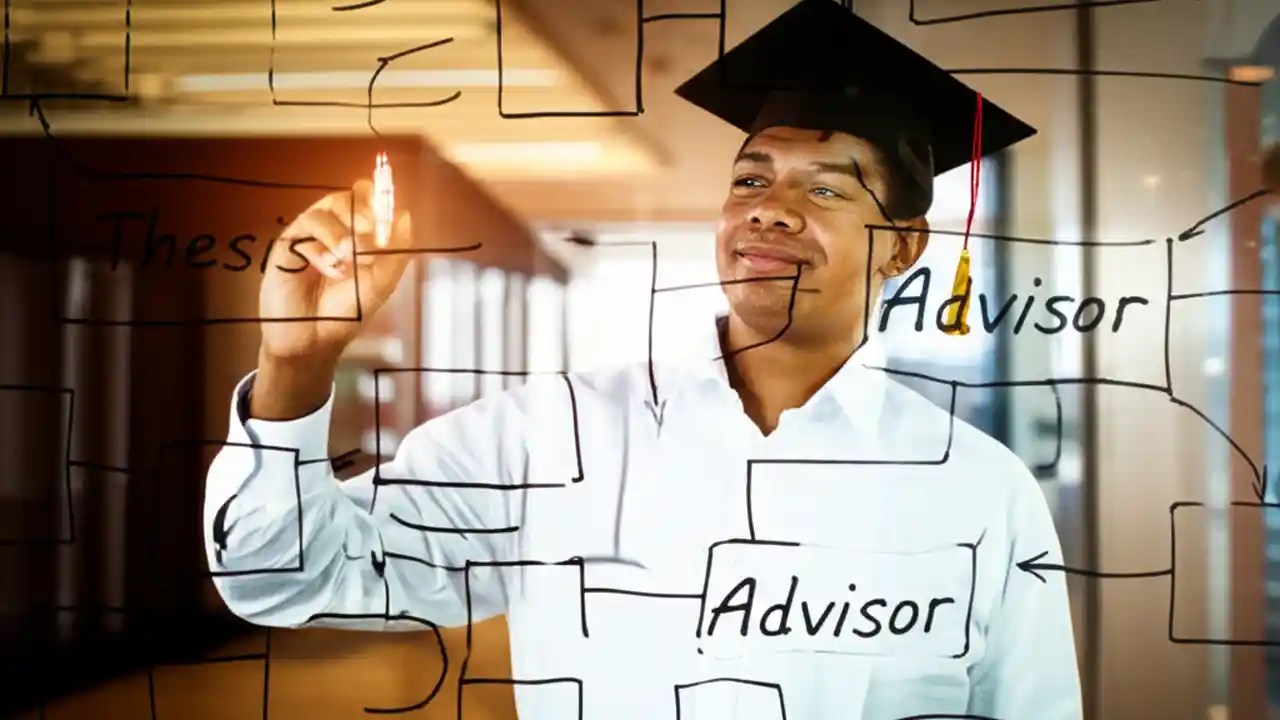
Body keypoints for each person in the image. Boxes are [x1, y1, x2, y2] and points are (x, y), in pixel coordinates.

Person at [203, 0, 1082, 717]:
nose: (769, 210)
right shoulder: (553, 438)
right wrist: (295, 365)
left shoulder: (979, 489)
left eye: (824, 188)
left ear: (902, 245)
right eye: (751, 177)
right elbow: (284, 578)